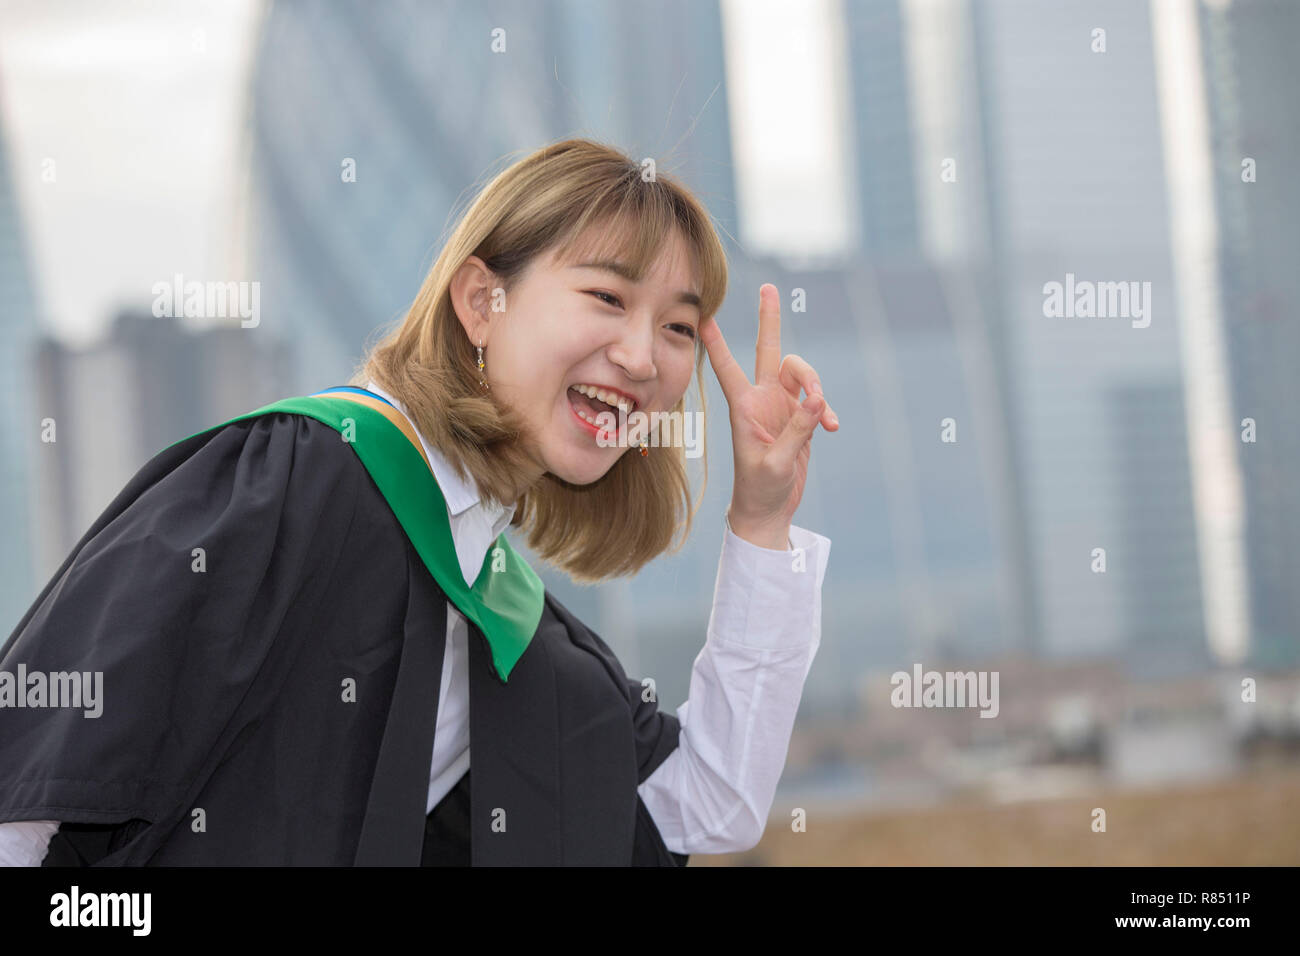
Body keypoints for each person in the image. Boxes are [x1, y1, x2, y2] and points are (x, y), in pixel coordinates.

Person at [0, 138, 837, 865]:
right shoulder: (304, 478)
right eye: (607, 298)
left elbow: (704, 802)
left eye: (678, 328)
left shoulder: (515, 630)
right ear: (481, 302)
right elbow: (29, 797)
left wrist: (762, 520)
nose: (641, 355)